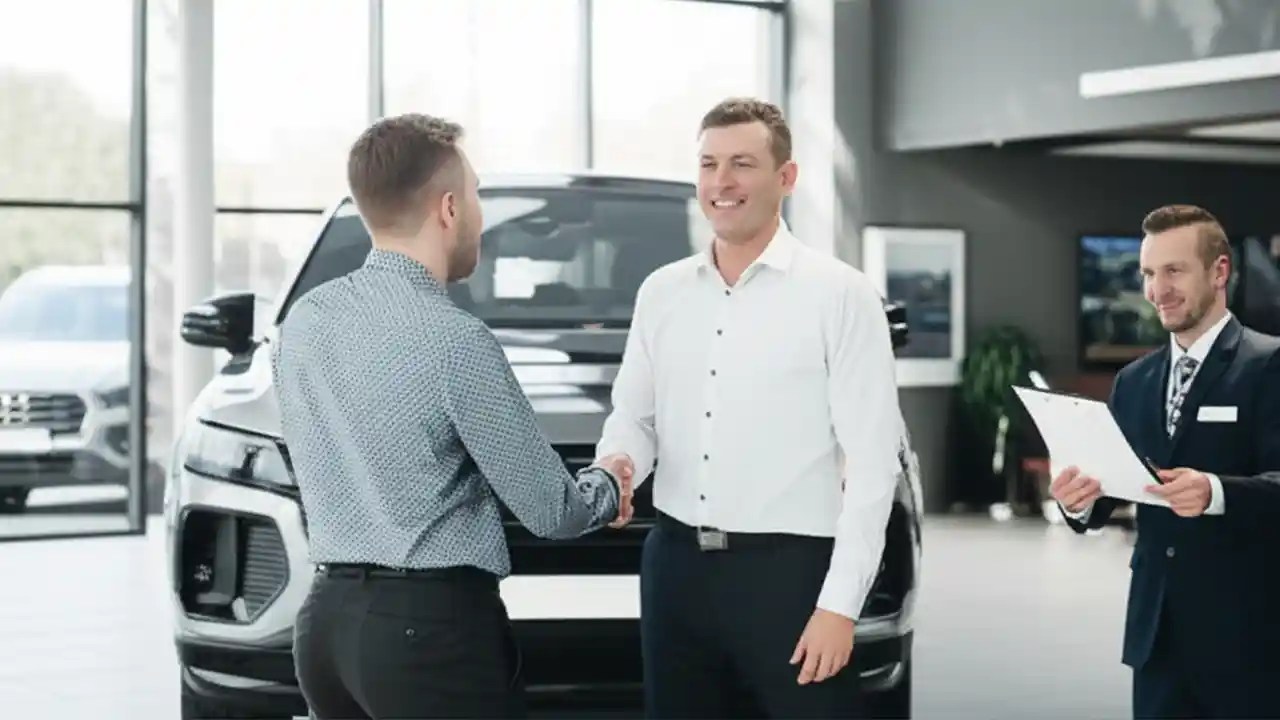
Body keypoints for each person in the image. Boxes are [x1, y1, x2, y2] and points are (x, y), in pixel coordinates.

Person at [271, 113, 634, 720]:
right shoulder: (454, 340)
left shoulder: (305, 322)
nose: (479, 217)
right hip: (428, 636)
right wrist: (609, 482)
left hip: (324, 628)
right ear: (448, 209)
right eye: (475, 198)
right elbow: (553, 511)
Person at [596, 97, 902, 719]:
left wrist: (839, 608)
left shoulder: (839, 295)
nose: (721, 182)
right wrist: (619, 463)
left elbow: (874, 463)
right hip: (675, 569)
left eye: (742, 164)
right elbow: (635, 416)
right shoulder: (661, 293)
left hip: (791, 577)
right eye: (709, 164)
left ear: (785, 179)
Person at [1051, 205, 1280, 719]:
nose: (1157, 290)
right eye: (1149, 274)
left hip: (1251, 643)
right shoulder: (1133, 382)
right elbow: (1109, 489)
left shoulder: (1270, 366)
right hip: (1157, 641)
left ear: (1219, 272)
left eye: (1174, 271)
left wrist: (1216, 492)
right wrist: (1078, 502)